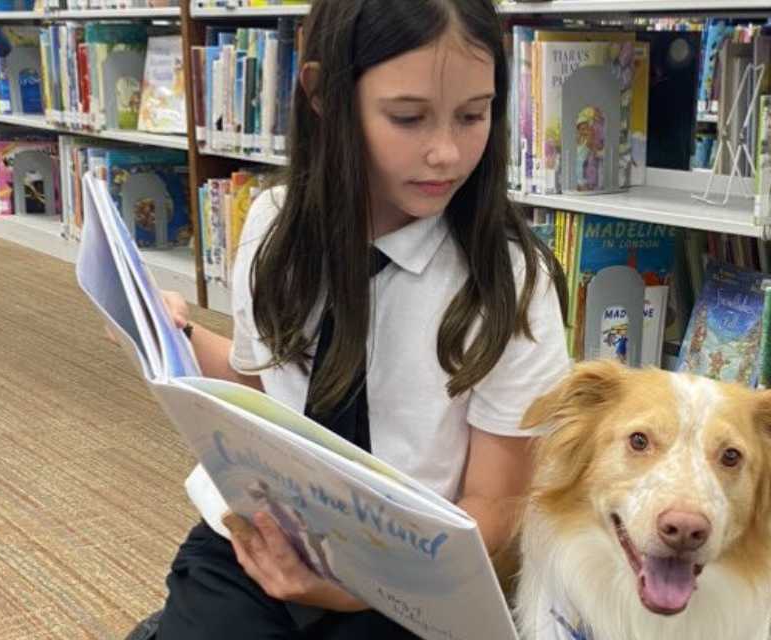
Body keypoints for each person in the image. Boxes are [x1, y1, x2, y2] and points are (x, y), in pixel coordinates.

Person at [140, 0, 571, 638]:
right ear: (324, 95)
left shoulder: (510, 280)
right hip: (261, 537)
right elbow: (265, 393)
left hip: (412, 578)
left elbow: (496, 502)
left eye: (473, 115)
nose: (446, 153)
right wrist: (166, 333)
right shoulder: (274, 225)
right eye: (408, 118)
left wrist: (362, 588)